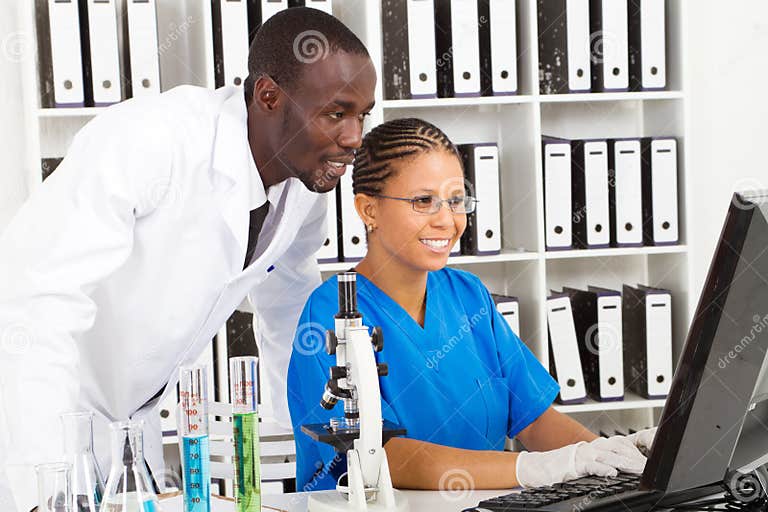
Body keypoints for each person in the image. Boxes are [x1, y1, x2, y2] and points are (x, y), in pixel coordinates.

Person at [0, 8, 376, 511]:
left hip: (136, 433)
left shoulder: (304, 181)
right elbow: (34, 299)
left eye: (362, 115)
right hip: (43, 424)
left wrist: (315, 447)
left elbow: (289, 303)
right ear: (268, 96)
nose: (354, 138)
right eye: (336, 113)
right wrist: (39, 491)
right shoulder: (150, 139)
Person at [287, 118, 656, 491]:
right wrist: (532, 470)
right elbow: (381, 457)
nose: (447, 220)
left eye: (456, 200)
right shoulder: (329, 316)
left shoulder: (468, 296)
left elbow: (533, 418)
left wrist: (612, 456)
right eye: (423, 201)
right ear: (368, 210)